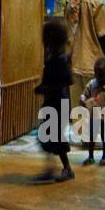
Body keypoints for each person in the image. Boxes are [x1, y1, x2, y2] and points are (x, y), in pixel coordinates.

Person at [65, 0, 105, 110]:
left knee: (78, 108)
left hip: (74, 63)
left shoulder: (72, 2)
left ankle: (80, 131)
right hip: (94, 64)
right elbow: (103, 34)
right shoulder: (96, 2)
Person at [34, 19, 74, 182]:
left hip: (57, 102)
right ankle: (53, 168)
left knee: (52, 135)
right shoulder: (56, 57)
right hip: (55, 102)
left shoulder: (59, 59)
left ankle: (66, 169)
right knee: (49, 135)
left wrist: (46, 88)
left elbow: (66, 80)